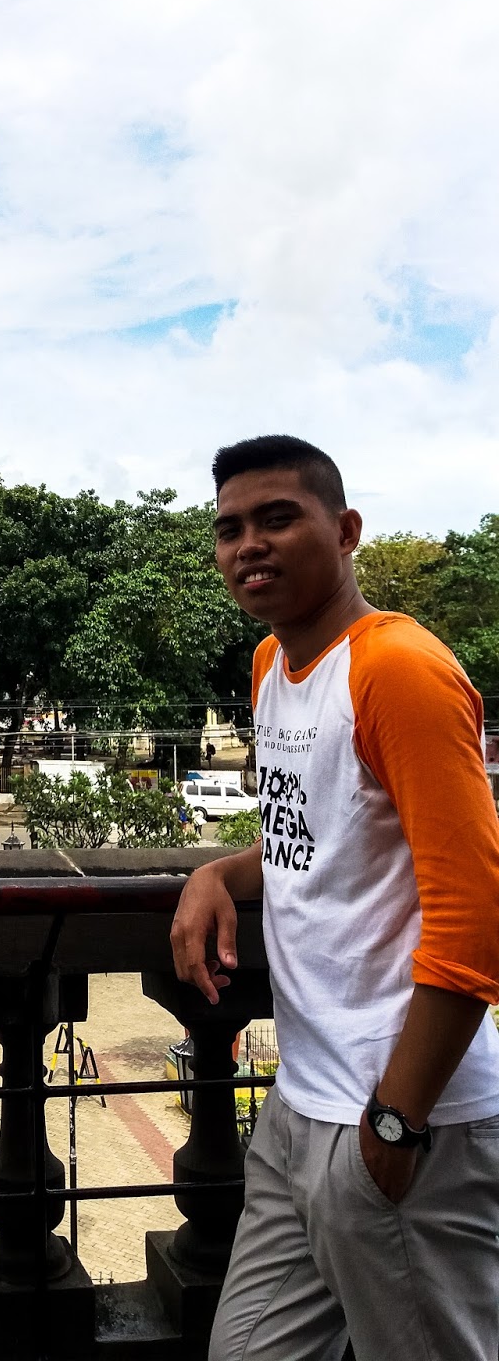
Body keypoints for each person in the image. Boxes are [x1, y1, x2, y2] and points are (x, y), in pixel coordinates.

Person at [171, 434, 499, 1361]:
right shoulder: (275, 668)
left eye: (279, 518)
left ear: (346, 530)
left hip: (403, 1123)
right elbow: (309, 839)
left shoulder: (399, 669)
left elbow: (477, 918)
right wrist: (215, 874)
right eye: (230, 529)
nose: (250, 546)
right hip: (299, 1107)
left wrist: (397, 1123)